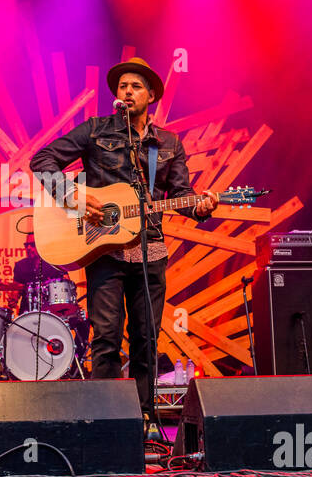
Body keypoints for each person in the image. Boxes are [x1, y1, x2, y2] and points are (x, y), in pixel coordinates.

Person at [30, 57, 216, 425]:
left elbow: (181, 195)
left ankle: (144, 418)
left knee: (147, 339)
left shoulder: (168, 144)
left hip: (151, 249)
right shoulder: (96, 130)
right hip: (105, 250)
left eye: (135, 87)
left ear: (151, 96)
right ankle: (105, 421)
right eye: (122, 87)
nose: (127, 92)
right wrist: (72, 196)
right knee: (106, 338)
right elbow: (42, 159)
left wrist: (201, 207)